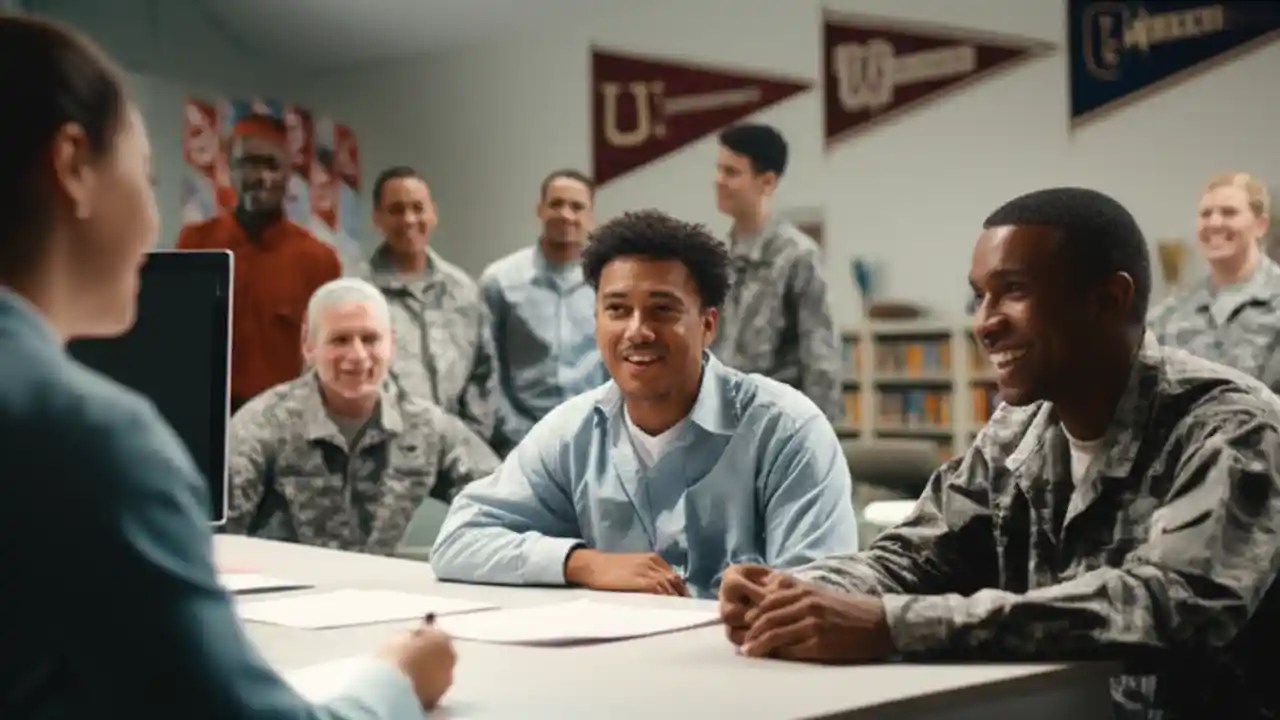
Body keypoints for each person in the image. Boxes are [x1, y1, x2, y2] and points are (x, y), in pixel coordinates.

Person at [0, 15, 453, 717]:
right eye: (147, 176)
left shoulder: (317, 261)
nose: (155, 223)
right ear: (73, 168)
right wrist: (395, 679)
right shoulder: (90, 439)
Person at [719, 188, 1280, 719]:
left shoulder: (1233, 427)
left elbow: (1166, 605)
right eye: (979, 295)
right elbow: (915, 557)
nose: (985, 323)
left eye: (1013, 291)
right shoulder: (1021, 427)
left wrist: (893, 626)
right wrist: (798, 592)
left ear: (1109, 300)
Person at [430, 210, 860, 599]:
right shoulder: (572, 431)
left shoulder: (786, 430)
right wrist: (585, 563)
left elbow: (819, 594)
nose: (637, 331)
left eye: (662, 310)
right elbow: (458, 539)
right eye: (617, 309)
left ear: (708, 324)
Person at [224, 277, 500, 555]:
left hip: (379, 592)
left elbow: (504, 500)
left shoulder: (425, 427)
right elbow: (216, 538)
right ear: (309, 345)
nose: (357, 355)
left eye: (370, 339)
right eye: (340, 340)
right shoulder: (263, 425)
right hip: (284, 591)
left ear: (391, 344)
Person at [177, 110, 342, 413]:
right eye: (248, 164)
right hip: (205, 415)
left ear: (288, 176)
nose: (260, 178)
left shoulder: (319, 261)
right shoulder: (195, 244)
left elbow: (328, 357)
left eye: (272, 165)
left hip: (285, 424)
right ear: (230, 170)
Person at [711, 123, 842, 423]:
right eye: (718, 169)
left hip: (777, 425)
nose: (718, 181)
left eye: (731, 173)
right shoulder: (718, 256)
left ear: (767, 182)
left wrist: (818, 438)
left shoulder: (797, 255)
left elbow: (821, 358)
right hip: (723, 424)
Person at [363, 166, 498, 444]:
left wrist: (471, 440)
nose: (409, 219)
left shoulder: (462, 291)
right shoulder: (358, 295)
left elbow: (483, 376)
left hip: (457, 452)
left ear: (433, 214)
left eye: (417, 208)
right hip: (383, 455)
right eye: (396, 210)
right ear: (377, 218)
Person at [479, 169, 607, 455]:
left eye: (577, 207)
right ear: (540, 209)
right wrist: (517, 434)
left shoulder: (608, 283)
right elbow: (487, 370)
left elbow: (617, 366)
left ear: (591, 216)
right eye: (556, 204)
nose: (566, 214)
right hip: (519, 445)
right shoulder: (499, 281)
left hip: (594, 442)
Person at [1148, 172, 1280, 392]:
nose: (1215, 222)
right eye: (1205, 214)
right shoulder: (1169, 316)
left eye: (1229, 213)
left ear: (1260, 225)